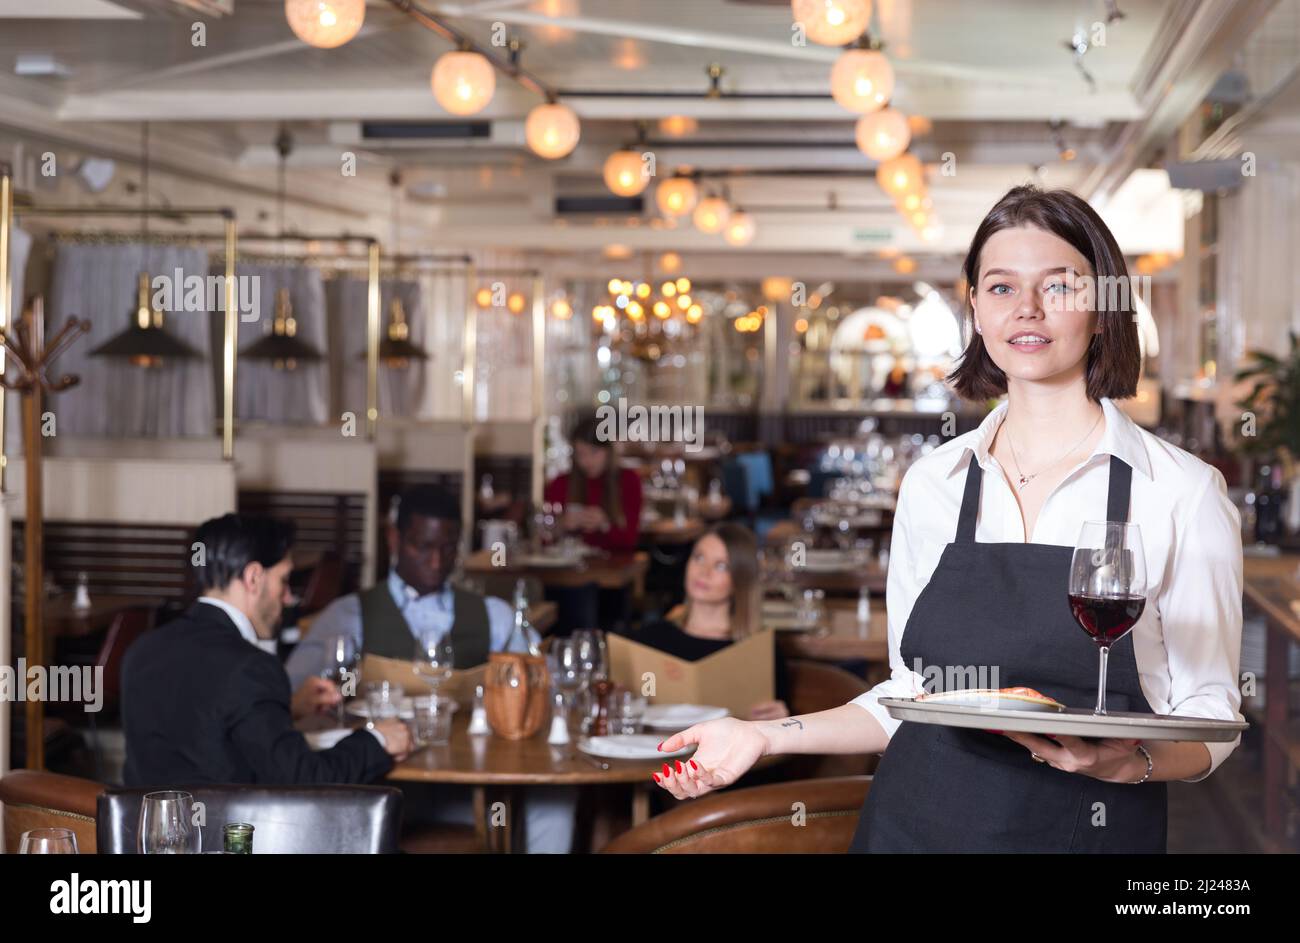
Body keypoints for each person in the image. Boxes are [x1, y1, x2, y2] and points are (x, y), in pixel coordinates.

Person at [652, 185, 1244, 854]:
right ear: (975, 309)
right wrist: (762, 735)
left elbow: (1211, 715)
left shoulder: (1182, 492)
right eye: (1000, 287)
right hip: (918, 825)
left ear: (1105, 306)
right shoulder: (936, 483)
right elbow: (911, 695)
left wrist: (1129, 763)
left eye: (1059, 286)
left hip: (1089, 830)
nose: (1027, 309)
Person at [286, 484, 576, 854]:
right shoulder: (348, 616)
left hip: (478, 782)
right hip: (387, 784)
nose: (436, 562)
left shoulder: (494, 615)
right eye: (422, 547)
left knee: (556, 798)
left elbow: (549, 682)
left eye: (447, 548)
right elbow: (292, 696)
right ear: (393, 539)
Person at [121, 514, 412, 787]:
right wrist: (377, 740)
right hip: (228, 837)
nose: (288, 598)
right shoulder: (252, 668)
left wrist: (283, 708)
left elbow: (203, 728)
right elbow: (304, 780)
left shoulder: (142, 649)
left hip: (147, 834)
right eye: (284, 581)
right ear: (254, 578)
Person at [635, 524, 790, 721]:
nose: (704, 572)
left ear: (740, 580)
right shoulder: (648, 637)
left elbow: (780, 723)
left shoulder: (759, 651)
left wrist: (779, 719)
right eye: (699, 558)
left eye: (721, 566)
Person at [543, 415, 643, 553]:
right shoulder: (561, 483)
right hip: (569, 569)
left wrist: (605, 525)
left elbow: (630, 541)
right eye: (580, 454)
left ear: (608, 451)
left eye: (594, 452)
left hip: (612, 569)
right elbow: (542, 538)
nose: (587, 461)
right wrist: (560, 526)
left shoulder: (628, 480)